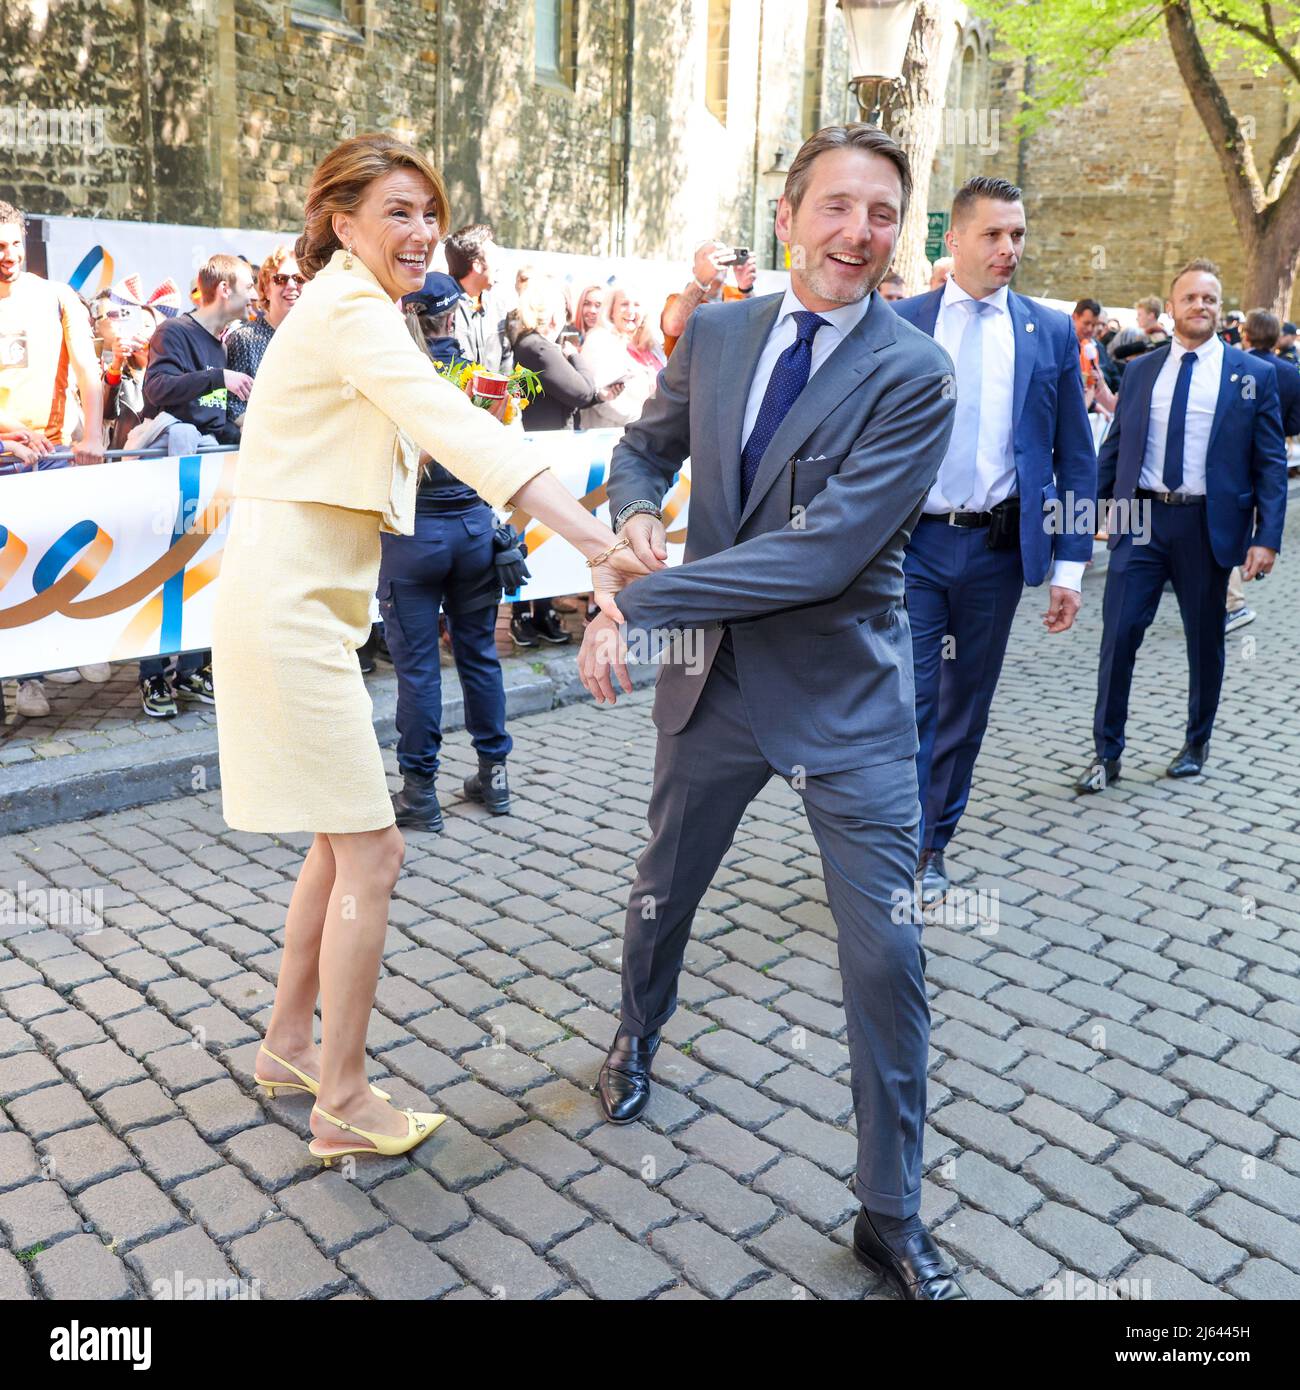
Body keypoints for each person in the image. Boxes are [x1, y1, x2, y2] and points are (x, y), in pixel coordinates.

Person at [579, 122, 968, 1301]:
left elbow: (827, 552)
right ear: (789, 214)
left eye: (884, 214)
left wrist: (633, 598)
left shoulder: (913, 371)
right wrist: (637, 513)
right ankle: (634, 1037)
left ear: (902, 235)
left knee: (886, 955)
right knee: (662, 889)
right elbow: (643, 450)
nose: (859, 233)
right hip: (714, 685)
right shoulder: (722, 328)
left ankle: (888, 1210)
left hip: (847, 703)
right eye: (838, 207)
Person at [210, 133, 648, 1167]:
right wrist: (594, 543)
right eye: (397, 211)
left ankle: (287, 1046)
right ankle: (344, 1096)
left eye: (429, 213)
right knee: (376, 847)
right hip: (286, 611)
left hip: (302, 603)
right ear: (340, 221)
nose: (421, 231)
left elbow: (441, 423)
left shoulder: (352, 308)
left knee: (337, 843)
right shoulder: (350, 308)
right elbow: (460, 429)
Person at [893, 178, 1097, 908]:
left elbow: (1077, 456)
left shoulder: (1045, 331)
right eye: (994, 235)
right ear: (957, 240)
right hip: (912, 549)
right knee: (906, 701)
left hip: (998, 554)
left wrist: (1071, 564)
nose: (1009, 249)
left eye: (1018, 235)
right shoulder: (903, 323)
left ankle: (932, 845)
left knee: (963, 705)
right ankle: (893, 844)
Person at [1075, 260, 1287, 791]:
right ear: (1171, 309)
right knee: (1120, 634)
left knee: (1204, 640)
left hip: (1206, 524)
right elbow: (1115, 448)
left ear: (1219, 308)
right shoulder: (1144, 370)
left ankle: (1196, 741)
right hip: (1139, 517)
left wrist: (1266, 537)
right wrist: (1082, 523)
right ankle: (1107, 753)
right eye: (1189, 297)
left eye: (1209, 299)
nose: (1199, 306)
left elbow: (1270, 464)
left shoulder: (1252, 376)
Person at [0, 198, 108, 717]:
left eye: (15, 244)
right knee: (12, 569)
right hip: (5, 455)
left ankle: (79, 643)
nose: (8, 255)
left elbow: (89, 368)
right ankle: (28, 679)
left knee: (71, 549)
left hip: (59, 450)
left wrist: (93, 433)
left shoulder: (56, 296)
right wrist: (10, 434)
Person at [137, 253, 255, 715]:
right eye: (249, 284)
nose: (255, 293)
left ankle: (189, 670)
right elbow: (157, 391)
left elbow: (212, 416)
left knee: (202, 569)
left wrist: (246, 430)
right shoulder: (174, 333)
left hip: (204, 483)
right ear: (224, 289)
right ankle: (152, 677)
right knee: (162, 571)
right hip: (169, 485)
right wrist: (216, 377)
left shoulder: (220, 346)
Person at [224, 244, 303, 426]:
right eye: (281, 279)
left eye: (299, 279)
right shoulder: (244, 339)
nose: (291, 286)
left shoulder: (315, 340)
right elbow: (232, 406)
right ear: (266, 289)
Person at [578, 286, 664, 430]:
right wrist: (646, 421)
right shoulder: (598, 340)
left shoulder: (652, 344)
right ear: (611, 310)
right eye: (624, 304)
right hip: (613, 438)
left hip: (652, 435)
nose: (631, 311)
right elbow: (602, 399)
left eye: (636, 305)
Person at [660, 240, 757, 357]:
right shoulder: (676, 300)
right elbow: (673, 326)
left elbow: (759, 328)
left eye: (723, 256)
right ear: (695, 270)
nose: (716, 262)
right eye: (708, 257)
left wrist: (747, 289)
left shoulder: (738, 294)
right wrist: (701, 281)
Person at [1073, 297, 1117, 415]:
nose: (1090, 329)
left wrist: (1081, 412)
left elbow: (1091, 386)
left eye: (1094, 324)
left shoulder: (1091, 349)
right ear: (1075, 317)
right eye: (1086, 323)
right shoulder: (1060, 344)